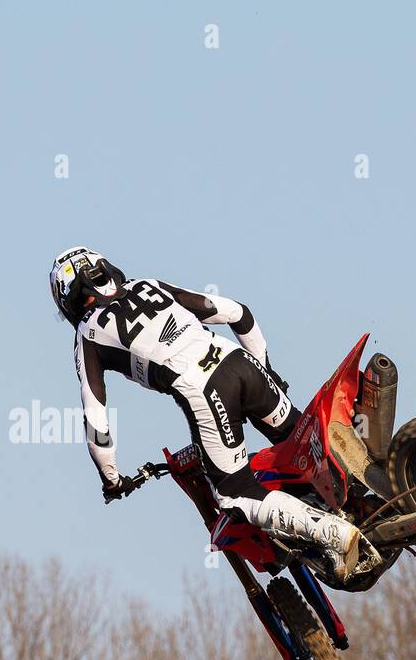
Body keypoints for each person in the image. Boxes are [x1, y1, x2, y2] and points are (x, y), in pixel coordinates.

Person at [50, 245, 364, 581]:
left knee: (233, 493)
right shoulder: (148, 285)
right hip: (241, 362)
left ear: (67, 301)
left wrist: (111, 479)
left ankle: (333, 533)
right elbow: (237, 313)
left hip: (205, 390)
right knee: (302, 442)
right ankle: (363, 499)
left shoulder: (87, 334)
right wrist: (267, 369)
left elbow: (96, 418)